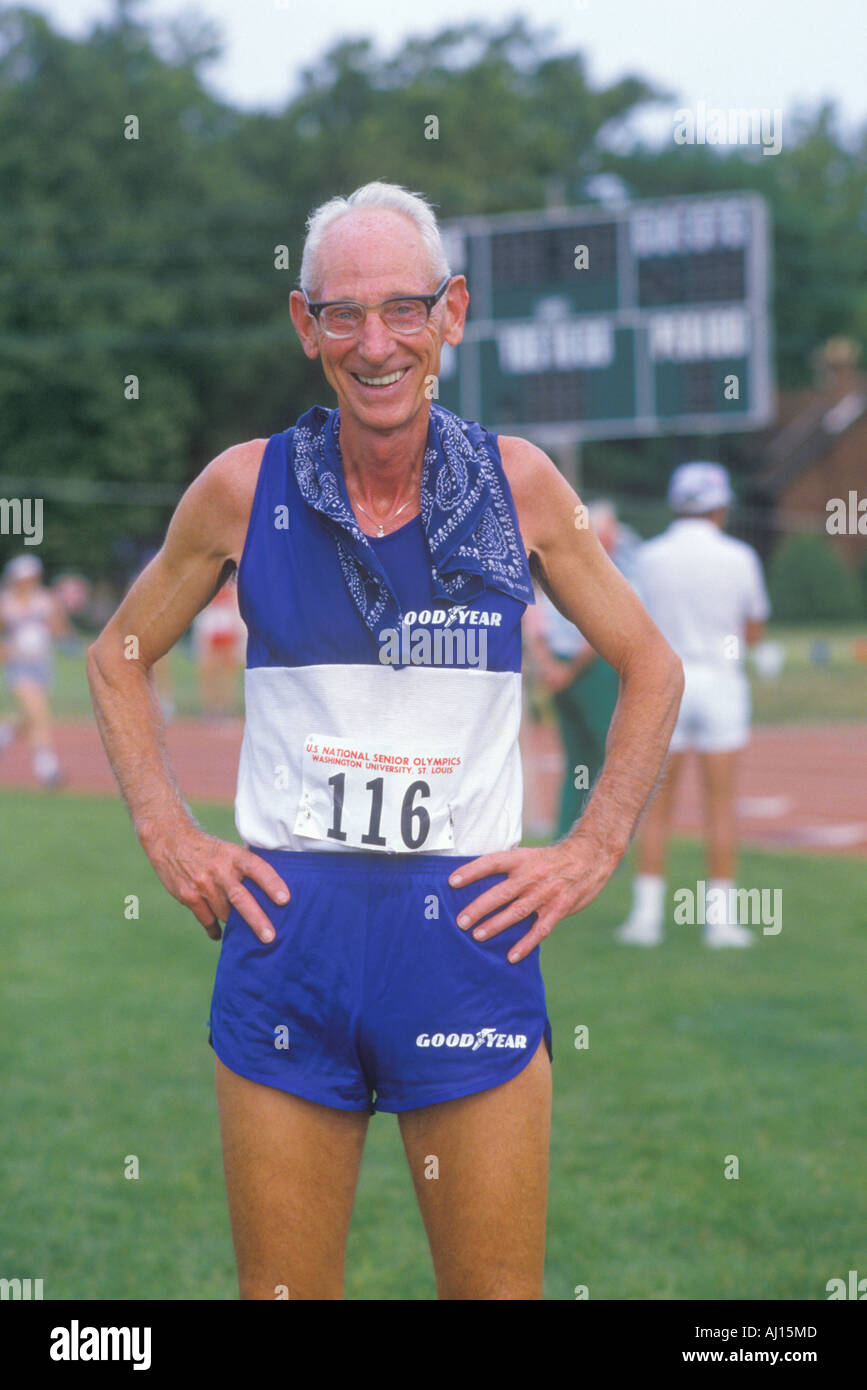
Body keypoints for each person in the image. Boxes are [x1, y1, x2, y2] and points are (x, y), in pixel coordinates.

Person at [87, 182, 683, 1300]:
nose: (377, 343)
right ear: (305, 327)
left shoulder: (520, 485)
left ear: (451, 314)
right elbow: (116, 658)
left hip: (464, 935)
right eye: (343, 314)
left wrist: (594, 846)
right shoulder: (240, 486)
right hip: (286, 939)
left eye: (404, 309)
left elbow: (652, 663)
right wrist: (170, 833)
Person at [615, 462, 771, 949]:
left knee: (655, 806)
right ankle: (720, 921)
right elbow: (754, 628)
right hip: (720, 681)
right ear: (719, 507)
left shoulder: (651, 557)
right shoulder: (740, 556)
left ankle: (646, 917)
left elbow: (636, 625)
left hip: (666, 684)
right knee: (719, 805)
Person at [529, 501, 635, 837]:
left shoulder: (552, 565)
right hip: (588, 669)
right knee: (607, 753)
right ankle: (602, 835)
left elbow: (535, 617)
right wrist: (570, 670)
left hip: (561, 666)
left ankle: (566, 833)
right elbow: (603, 628)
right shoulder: (600, 572)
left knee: (577, 759)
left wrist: (548, 665)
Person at [0, 553, 68, 786]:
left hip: (42, 664)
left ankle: (4, 735)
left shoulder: (45, 600)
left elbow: (60, 629)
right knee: (39, 713)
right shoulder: (6, 602)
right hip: (19, 666)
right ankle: (47, 768)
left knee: (32, 717)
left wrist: (57, 620)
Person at [192, 577, 246, 718]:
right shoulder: (208, 586)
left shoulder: (233, 587)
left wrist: (239, 639)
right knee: (210, 671)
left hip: (227, 631)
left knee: (227, 673)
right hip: (212, 631)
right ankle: (211, 707)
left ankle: (227, 706)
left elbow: (236, 610)